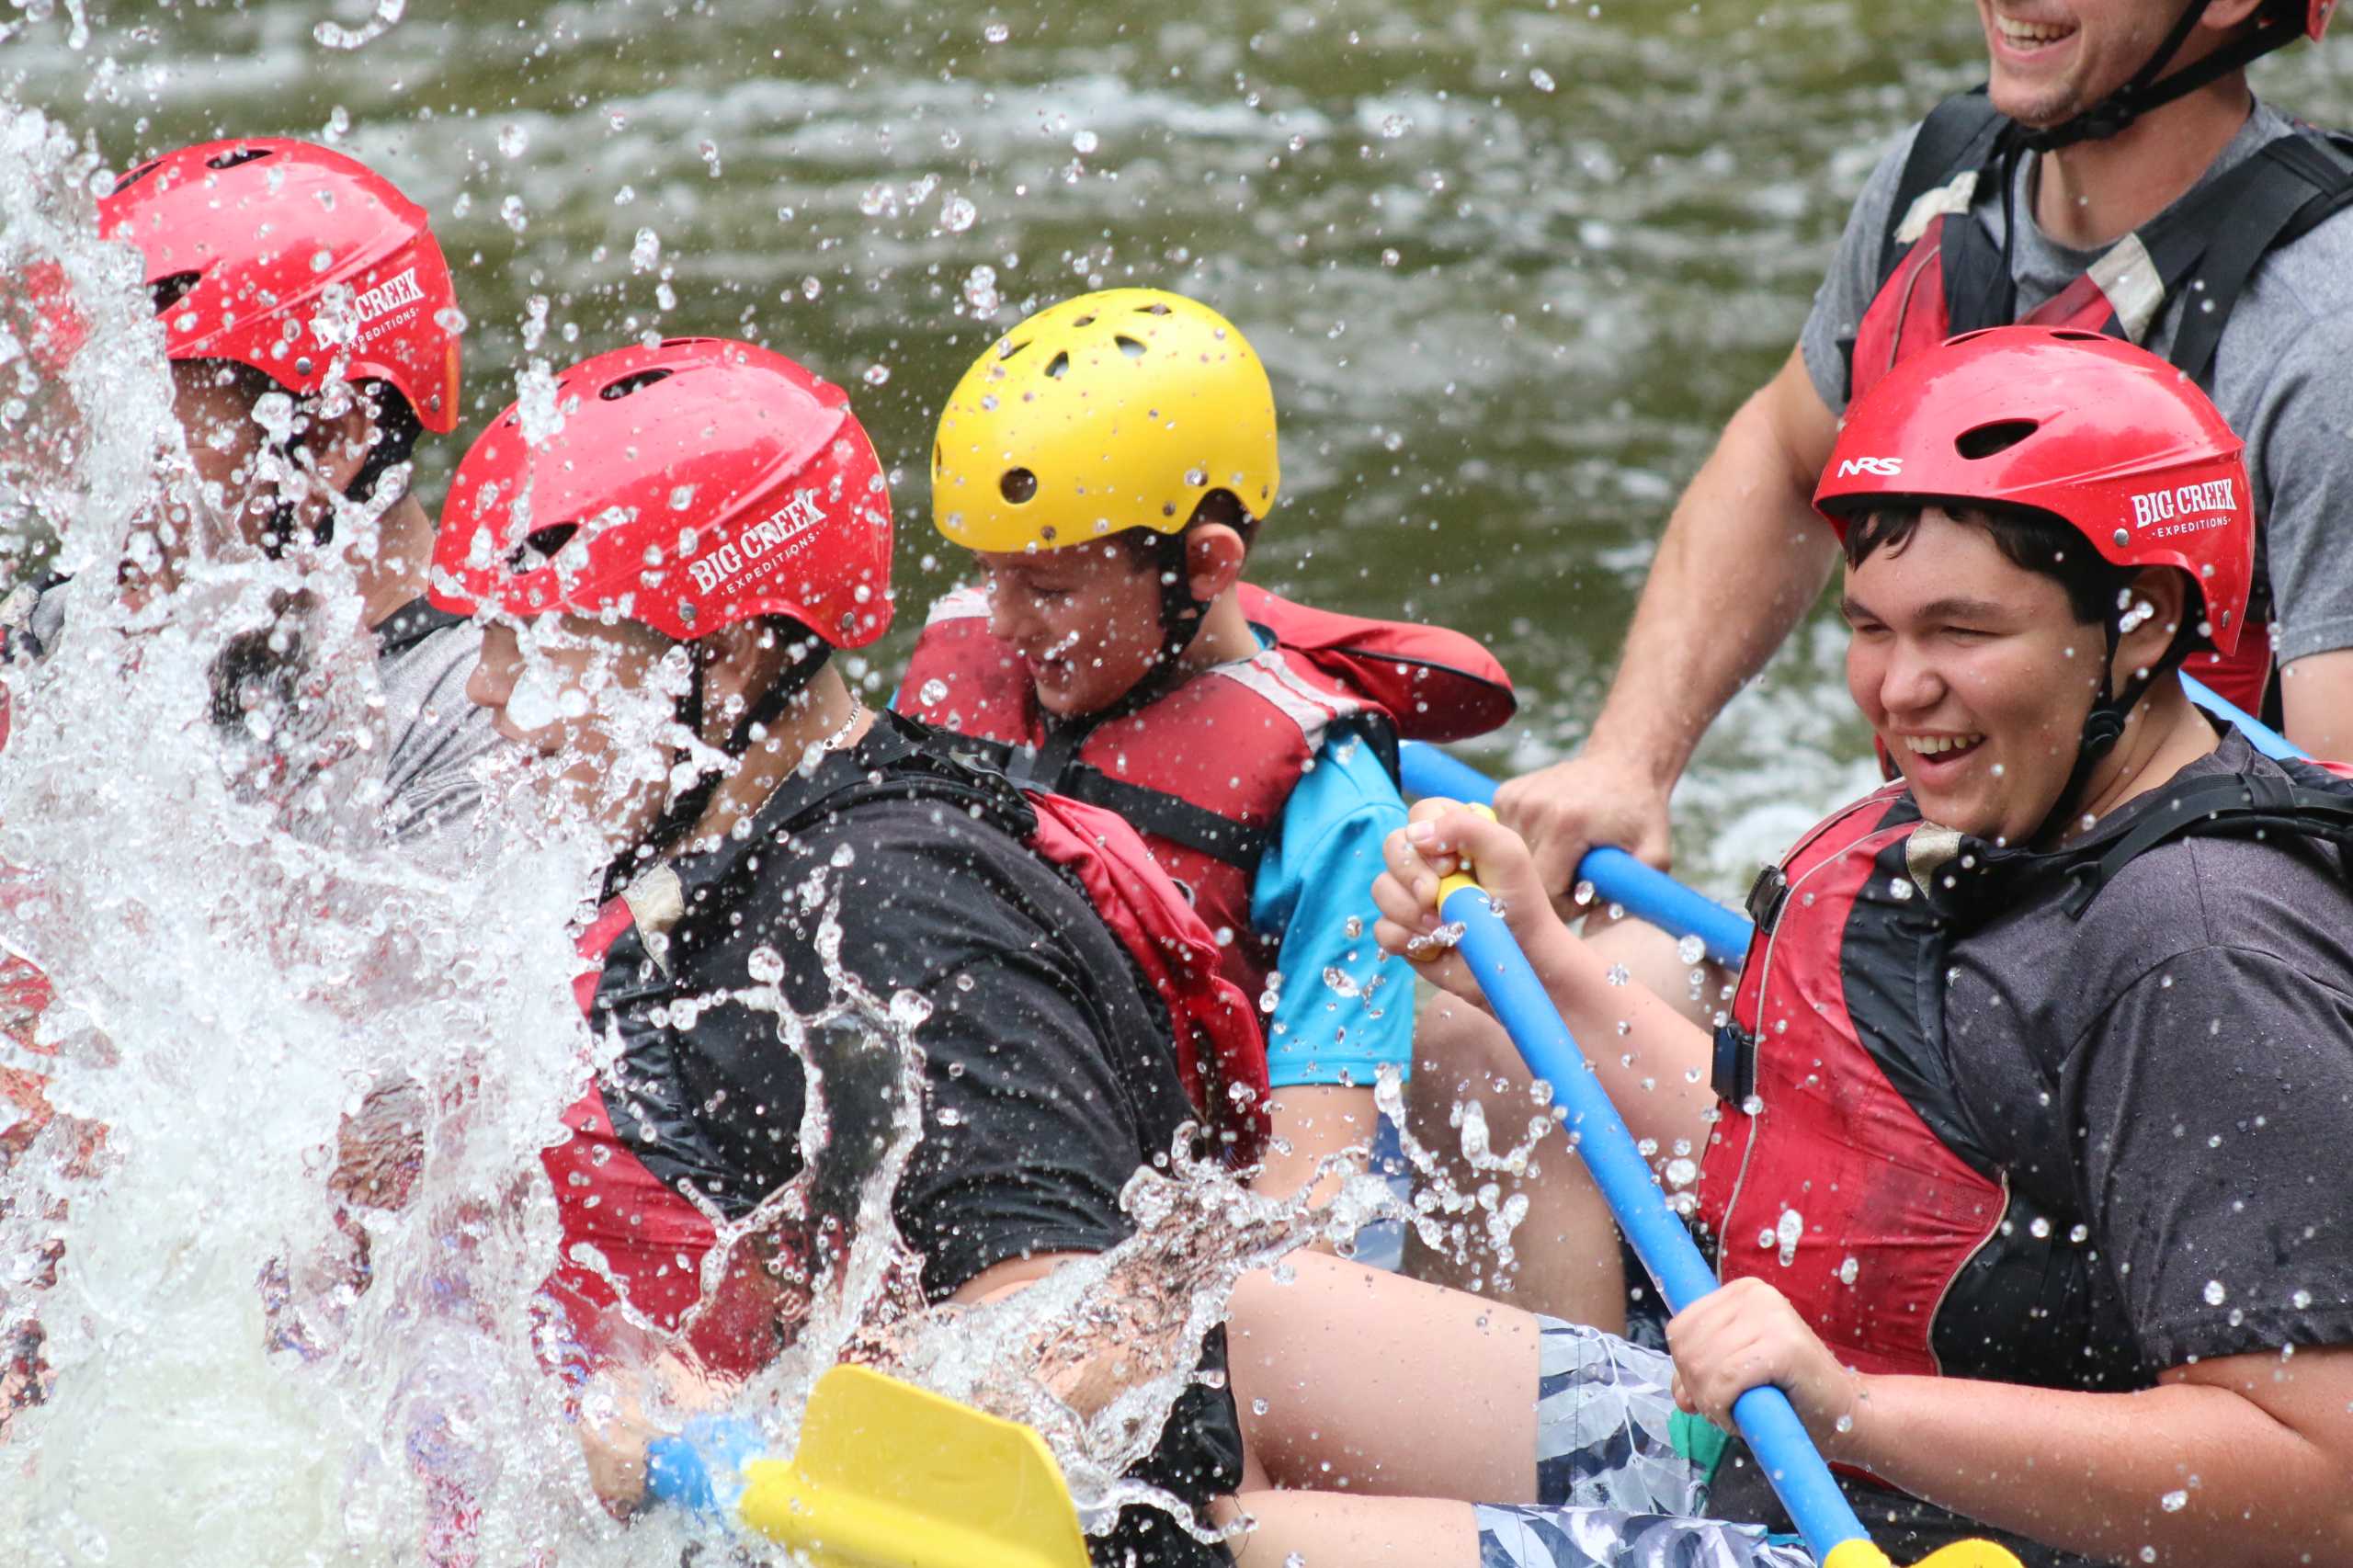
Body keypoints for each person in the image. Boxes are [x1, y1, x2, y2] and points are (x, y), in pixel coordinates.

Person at [1302, 326, 2353, 1568]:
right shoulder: (1999, 820)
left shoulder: (2203, 948)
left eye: (1962, 630)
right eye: (1872, 626)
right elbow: (1833, 1169)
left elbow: (2323, 1480)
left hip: (1943, 1528)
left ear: (2143, 618)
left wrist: (1857, 1410)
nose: (1898, 690)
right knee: (1257, 1343)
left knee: (1260, 1541)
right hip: (1823, 1461)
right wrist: (1537, 959)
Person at [429, 336, 1257, 1564]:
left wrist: (736, 1438)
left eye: (544, 641)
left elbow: (1095, 1331)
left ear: (735, 654)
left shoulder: (886, 905)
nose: (487, 690)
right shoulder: (726, 856)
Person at [1502, 0, 2351, 893]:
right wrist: (1627, 764)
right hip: (1953, 886)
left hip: (2165, 930)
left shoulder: (2322, 329)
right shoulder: (1941, 187)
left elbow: (2333, 844)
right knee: (1514, 954)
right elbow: (1785, 458)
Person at [897, 287, 1516, 1205]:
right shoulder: (970, 673)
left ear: (1204, 564)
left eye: (1048, 588)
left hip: (1146, 1218)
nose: (1003, 623)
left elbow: (1310, 1192)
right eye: (988, 572)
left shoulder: (1336, 814)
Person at [5, 135, 496, 839]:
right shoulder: (56, 636)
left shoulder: (486, 727)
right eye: (98, 439)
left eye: (144, 443)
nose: (101, 497)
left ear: (328, 442)